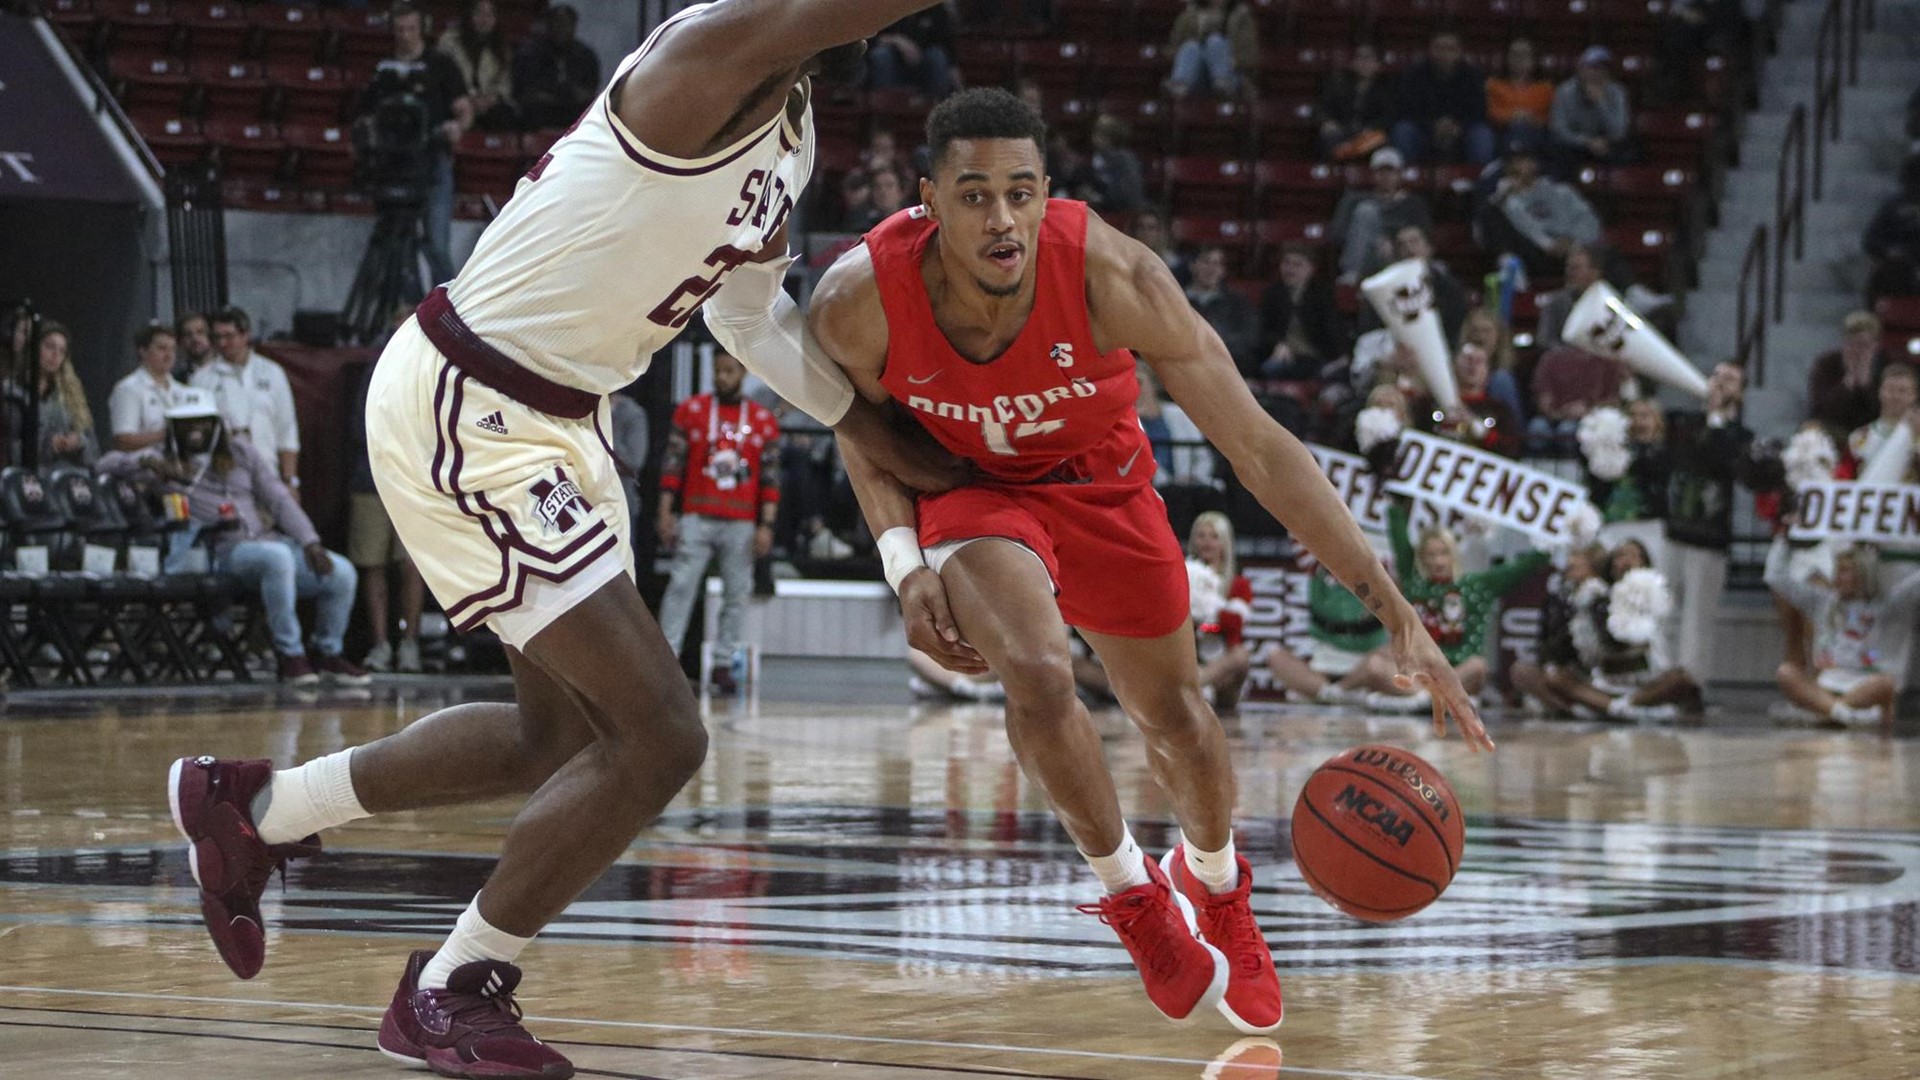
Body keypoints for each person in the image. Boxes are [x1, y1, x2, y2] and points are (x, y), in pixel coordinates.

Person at [164, 6, 964, 1077]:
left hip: (564, 420)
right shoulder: (707, 51)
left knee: (565, 739)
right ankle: (453, 987)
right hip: (472, 395)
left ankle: (255, 809)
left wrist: (874, 431)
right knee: (662, 736)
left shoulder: (793, 123)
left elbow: (743, 319)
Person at [808, 88, 1492, 1036]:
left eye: (1019, 192)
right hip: (969, 486)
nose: (1000, 218)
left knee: (1178, 719)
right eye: (972, 195)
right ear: (928, 197)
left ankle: (1214, 884)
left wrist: (1399, 616)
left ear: (1047, 194)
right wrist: (902, 561)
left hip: (1103, 482)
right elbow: (858, 427)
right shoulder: (857, 299)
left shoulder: (1113, 275)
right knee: (1041, 675)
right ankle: (1133, 898)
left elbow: (1260, 449)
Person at [99, 390, 367, 685]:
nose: (196, 430)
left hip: (267, 541)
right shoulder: (165, 461)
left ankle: (327, 652)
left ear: (216, 423)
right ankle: (290, 655)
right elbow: (105, 465)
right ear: (173, 426)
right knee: (276, 559)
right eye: (187, 423)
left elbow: (278, 499)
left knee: (341, 572)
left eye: (203, 422)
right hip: (222, 551)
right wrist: (147, 460)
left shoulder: (241, 453)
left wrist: (310, 541)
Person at [1344, 500, 1548, 709]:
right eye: (1430, 555)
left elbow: (1520, 570)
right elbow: (1400, 541)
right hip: (1420, 669)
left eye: (1443, 553)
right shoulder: (1415, 583)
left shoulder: (1475, 585)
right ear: (1422, 559)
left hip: (1457, 671)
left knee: (1478, 666)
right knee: (1376, 662)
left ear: (1453, 555)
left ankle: (1417, 699)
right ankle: (1423, 699)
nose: (1437, 561)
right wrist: (1397, 504)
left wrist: (1547, 545)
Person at [656, 352, 781, 692]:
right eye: (718, 371)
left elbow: (770, 478)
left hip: (741, 520)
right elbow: (672, 465)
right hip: (696, 513)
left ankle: (724, 663)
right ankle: (667, 661)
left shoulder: (762, 420)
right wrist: (666, 511)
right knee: (681, 586)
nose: (722, 377)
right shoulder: (691, 411)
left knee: (736, 594)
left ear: (743, 372)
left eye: (729, 371)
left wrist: (766, 525)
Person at [355, 3, 471, 286]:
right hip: (392, 166)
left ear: (422, 29)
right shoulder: (383, 69)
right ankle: (407, 310)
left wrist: (457, 127)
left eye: (411, 29)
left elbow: (464, 109)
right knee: (399, 245)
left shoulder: (440, 64)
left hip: (431, 162)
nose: (405, 35)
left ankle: (446, 306)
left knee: (436, 244)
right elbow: (365, 114)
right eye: (400, 30)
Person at [1766, 537, 1920, 728]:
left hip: (1864, 684)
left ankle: (1825, 713)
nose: (1836, 577)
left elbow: (1914, 586)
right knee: (1786, 673)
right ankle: (1841, 714)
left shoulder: (1886, 607)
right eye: (1836, 570)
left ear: (1863, 572)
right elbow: (1776, 578)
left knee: (1886, 684)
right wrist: (1784, 540)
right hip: (1826, 685)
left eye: (1845, 571)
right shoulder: (1822, 602)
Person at [1663, 361, 1754, 684]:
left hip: (1710, 537)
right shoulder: (1683, 423)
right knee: (1661, 609)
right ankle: (1660, 675)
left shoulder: (1741, 436)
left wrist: (1716, 419)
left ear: (1740, 393)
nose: (1721, 384)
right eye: (1717, 376)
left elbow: (1720, 459)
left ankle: (1691, 682)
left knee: (1697, 617)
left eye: (1731, 380)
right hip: (1674, 530)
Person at [346, 362, 425, 673]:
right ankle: (380, 644)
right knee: (372, 563)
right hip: (372, 480)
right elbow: (359, 426)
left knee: (412, 564)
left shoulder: (430, 370)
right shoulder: (373, 370)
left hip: (417, 483)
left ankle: (410, 643)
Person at [191, 306, 302, 492]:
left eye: (229, 336)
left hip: (268, 473)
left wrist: (290, 480)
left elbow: (286, 429)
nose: (223, 343)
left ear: (245, 336)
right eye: (217, 337)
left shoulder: (272, 372)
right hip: (223, 478)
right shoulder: (201, 379)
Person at [1476, 142, 1602, 280]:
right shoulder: (1505, 199)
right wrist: (1547, 244)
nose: (1520, 166)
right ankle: (1516, 284)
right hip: (1532, 253)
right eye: (1514, 162)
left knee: (1600, 252)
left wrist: (1572, 241)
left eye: (1524, 160)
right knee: (1493, 215)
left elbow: (1589, 220)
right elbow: (1482, 229)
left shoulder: (1561, 191)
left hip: (1570, 250)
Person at [1390, 30, 1495, 166]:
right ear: (1430, 50)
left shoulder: (1472, 75)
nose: (1444, 54)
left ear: (1459, 51)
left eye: (1450, 49)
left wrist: (1458, 126)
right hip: (1425, 129)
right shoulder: (1415, 73)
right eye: (1439, 48)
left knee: (1482, 135)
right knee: (1403, 131)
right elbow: (1406, 109)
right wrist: (1432, 125)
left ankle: (1481, 181)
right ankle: (1406, 179)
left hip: (1462, 130)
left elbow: (1479, 111)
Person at [1330, 147, 1433, 284]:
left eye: (1390, 171)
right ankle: (1353, 275)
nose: (1386, 176)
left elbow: (1423, 234)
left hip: (1400, 254)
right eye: (1381, 171)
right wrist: (1376, 240)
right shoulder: (1354, 199)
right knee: (1365, 211)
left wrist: (1394, 242)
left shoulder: (1413, 203)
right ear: (1373, 174)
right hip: (1365, 255)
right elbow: (1336, 233)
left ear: (1399, 174)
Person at [1186, 511, 1253, 714]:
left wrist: (1205, 623)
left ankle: (1190, 689)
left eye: (1214, 537)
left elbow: (1234, 625)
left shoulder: (1238, 584)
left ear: (1224, 543)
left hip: (1219, 665)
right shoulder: (1182, 572)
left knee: (1240, 655)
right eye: (1202, 535)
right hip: (1187, 655)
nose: (1207, 542)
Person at [1256, 242, 1347, 381]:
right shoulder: (1272, 295)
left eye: (1297, 264)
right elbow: (1262, 330)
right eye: (1287, 263)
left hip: (1315, 357)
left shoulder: (1322, 295)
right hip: (1284, 357)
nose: (1290, 269)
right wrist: (1277, 344)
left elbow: (1333, 332)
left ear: (1310, 269)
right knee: (1268, 370)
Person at [513, 4, 599, 130]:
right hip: (543, 108)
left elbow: (590, 89)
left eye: (566, 24)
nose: (562, 29)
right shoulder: (531, 52)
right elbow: (526, 89)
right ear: (548, 25)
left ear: (574, 27)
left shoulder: (586, 55)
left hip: (573, 107)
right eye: (557, 23)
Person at [27, 321, 99, 467]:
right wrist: (48, 444)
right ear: (35, 346)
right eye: (50, 346)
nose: (55, 355)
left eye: (62, 351)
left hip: (66, 478)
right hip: (25, 477)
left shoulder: (71, 395)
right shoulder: (14, 390)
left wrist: (79, 442)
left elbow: (95, 452)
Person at [438, 0, 517, 131]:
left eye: (489, 15)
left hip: (487, 104)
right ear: (469, 15)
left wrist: (491, 99)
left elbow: (504, 85)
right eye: (479, 13)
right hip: (457, 101)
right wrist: (465, 98)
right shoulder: (449, 41)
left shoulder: (501, 48)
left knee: (505, 114)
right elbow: (441, 77)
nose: (484, 19)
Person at [1807, 311, 1887, 439]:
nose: (1856, 350)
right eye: (1851, 343)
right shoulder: (1826, 364)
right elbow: (1820, 408)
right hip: (1833, 428)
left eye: (1863, 345)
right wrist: (1848, 382)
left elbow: (1882, 411)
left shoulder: (1884, 367)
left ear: (1875, 346)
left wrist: (1865, 384)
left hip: (1871, 432)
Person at [1549, 46, 1632, 171]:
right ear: (1581, 69)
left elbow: (1618, 132)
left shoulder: (1617, 93)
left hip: (1605, 145)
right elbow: (1559, 130)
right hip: (1574, 145)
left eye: (1603, 68)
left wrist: (1601, 103)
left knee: (1626, 153)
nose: (1598, 73)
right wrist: (1587, 142)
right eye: (1593, 67)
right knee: (1558, 150)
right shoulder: (1564, 91)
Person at [109, 322, 187, 451]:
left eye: (173, 349)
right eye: (162, 348)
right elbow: (123, 440)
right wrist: (169, 434)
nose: (169, 355)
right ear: (143, 351)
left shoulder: (181, 390)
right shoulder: (128, 389)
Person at [1314, 42, 1395, 161]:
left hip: (1369, 134)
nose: (1363, 63)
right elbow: (1321, 108)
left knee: (1382, 143)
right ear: (1353, 62)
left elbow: (1389, 115)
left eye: (1368, 58)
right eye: (1359, 58)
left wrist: (1371, 128)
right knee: (1327, 138)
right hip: (1342, 132)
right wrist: (1327, 121)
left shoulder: (1386, 88)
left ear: (1378, 64)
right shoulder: (1338, 84)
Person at [1184, 246, 1258, 372]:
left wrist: (1215, 348)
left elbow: (1249, 338)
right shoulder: (1178, 299)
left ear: (1223, 270)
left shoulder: (1237, 302)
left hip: (1226, 365)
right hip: (1185, 365)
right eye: (1206, 261)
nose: (1211, 269)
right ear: (1193, 265)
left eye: (1217, 264)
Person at [1166, 0, 1257, 99]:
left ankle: (1222, 82)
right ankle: (1179, 84)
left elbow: (1249, 55)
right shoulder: (1188, 17)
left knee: (1215, 41)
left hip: (1231, 73)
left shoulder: (1241, 17)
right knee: (1191, 46)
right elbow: (1173, 49)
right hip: (1197, 75)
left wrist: (1231, 61)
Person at [1862, 156, 1920, 307]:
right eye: (1911, 182)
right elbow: (1870, 240)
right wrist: (1890, 252)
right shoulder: (1893, 207)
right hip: (1899, 267)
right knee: (1885, 273)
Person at [866, 3, 956, 97]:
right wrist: (897, 41)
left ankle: (938, 102)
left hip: (924, 58)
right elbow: (873, 37)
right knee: (881, 55)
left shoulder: (934, 7)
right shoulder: (884, 6)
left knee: (937, 55)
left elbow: (945, 39)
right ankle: (885, 102)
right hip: (894, 58)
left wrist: (953, 67)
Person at [1486, 38, 1553, 154]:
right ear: (1507, 59)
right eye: (1515, 55)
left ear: (1534, 59)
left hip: (1536, 133)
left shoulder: (1546, 88)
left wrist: (1532, 119)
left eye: (1524, 55)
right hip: (1503, 131)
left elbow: (1551, 117)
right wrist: (1513, 116)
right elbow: (1490, 111)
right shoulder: (1493, 84)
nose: (1519, 59)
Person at [1457, 307, 1526, 421]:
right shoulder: (1457, 363)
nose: (1480, 336)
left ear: (1498, 335)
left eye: (1486, 331)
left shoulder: (1502, 376)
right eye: (1475, 330)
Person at [1537, 241, 1605, 347]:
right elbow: (1545, 341)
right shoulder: (1554, 303)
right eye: (1568, 267)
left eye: (1576, 268)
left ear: (1594, 272)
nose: (1569, 273)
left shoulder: (1610, 303)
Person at [1084, 114, 1146, 215]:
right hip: (1105, 209)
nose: (1092, 136)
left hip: (1123, 213)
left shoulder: (1125, 160)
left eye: (1098, 132)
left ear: (1109, 137)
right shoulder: (1098, 157)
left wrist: (1097, 198)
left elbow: (1126, 194)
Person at [172, 311, 217, 382]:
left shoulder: (228, 372)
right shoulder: (177, 380)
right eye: (188, 334)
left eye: (200, 332)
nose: (195, 338)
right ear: (181, 341)